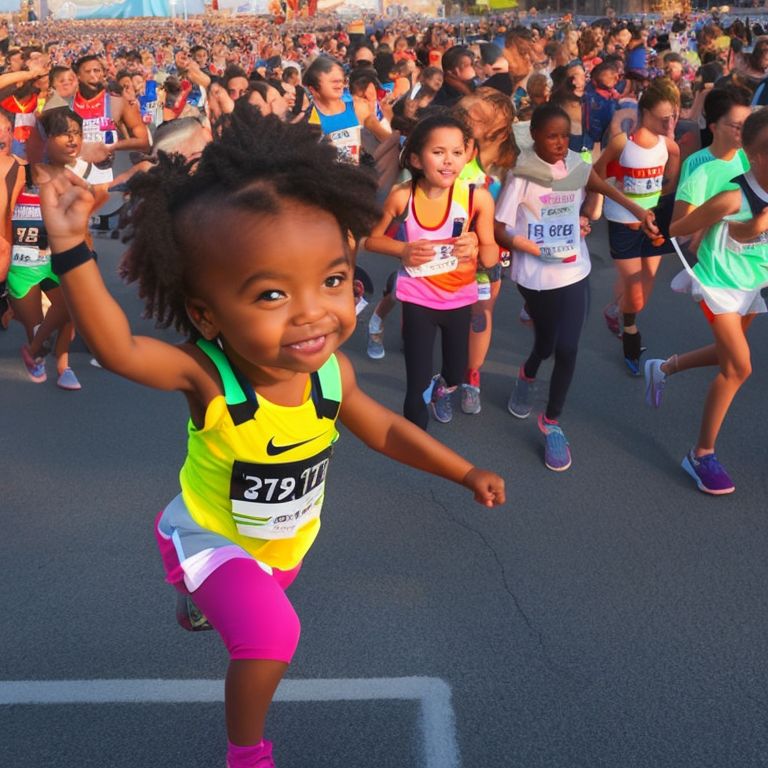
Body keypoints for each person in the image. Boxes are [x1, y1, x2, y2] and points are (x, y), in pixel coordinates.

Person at [38, 108, 505, 768]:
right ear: (206, 313)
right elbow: (116, 350)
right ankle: (246, 754)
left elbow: (390, 431)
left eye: (334, 280)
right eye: (269, 296)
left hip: (282, 545)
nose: (312, 312)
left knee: (265, 601)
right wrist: (71, 246)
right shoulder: (210, 377)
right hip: (207, 538)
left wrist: (463, 471)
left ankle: (204, 607)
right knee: (271, 635)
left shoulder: (332, 375)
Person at [494, 103, 659, 472]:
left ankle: (551, 422)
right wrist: (529, 247)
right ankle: (528, 373)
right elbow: (499, 229)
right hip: (535, 277)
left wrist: (636, 210)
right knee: (546, 345)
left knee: (568, 348)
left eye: (564, 135)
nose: (559, 142)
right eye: (551, 136)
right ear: (534, 135)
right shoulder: (522, 174)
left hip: (573, 269)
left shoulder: (574, 164)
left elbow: (597, 184)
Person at [647, 108, 768, 495]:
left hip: (752, 283)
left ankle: (664, 367)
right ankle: (701, 454)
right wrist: (720, 221)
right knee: (739, 367)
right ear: (759, 154)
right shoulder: (732, 195)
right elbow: (677, 228)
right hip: (718, 284)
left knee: (725, 355)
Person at [365, 113, 498, 429]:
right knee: (416, 381)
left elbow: (492, 252)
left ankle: (444, 389)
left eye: (456, 152)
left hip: (458, 300)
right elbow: (371, 241)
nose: (449, 161)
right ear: (416, 158)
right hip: (418, 300)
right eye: (438, 152)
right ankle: (417, 442)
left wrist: (477, 245)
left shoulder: (476, 197)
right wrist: (403, 249)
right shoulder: (403, 196)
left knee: (455, 372)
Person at [13, 107, 106, 389]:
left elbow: (83, 225)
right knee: (36, 324)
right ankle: (36, 352)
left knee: (68, 309)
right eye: (64, 133)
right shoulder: (21, 173)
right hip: (22, 263)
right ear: (44, 138)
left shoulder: (77, 178)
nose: (72, 140)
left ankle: (63, 365)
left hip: (58, 260)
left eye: (77, 133)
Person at [593, 80, 681, 375]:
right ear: (645, 113)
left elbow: (669, 180)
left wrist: (663, 194)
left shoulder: (669, 145)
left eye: (671, 117)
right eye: (662, 116)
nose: (667, 122)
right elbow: (597, 175)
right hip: (623, 223)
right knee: (637, 294)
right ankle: (631, 338)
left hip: (653, 222)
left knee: (647, 280)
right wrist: (629, 203)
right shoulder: (623, 143)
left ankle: (616, 309)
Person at [454, 88, 517, 415]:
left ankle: (471, 376)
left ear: (500, 127)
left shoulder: (515, 164)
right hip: (446, 247)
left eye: (478, 118)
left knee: (481, 314)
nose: (469, 120)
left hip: (488, 254)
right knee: (443, 313)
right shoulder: (455, 151)